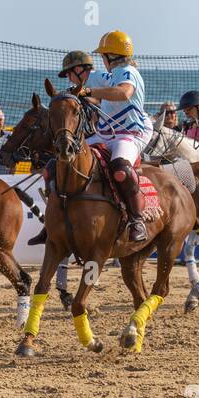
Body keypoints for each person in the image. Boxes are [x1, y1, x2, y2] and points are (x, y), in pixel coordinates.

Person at [57, 32, 154, 242]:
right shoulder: (106, 76)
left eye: (103, 56)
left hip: (131, 133)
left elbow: (123, 93)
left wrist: (90, 92)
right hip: (106, 134)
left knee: (120, 168)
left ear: (110, 56)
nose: (101, 60)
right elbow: (92, 91)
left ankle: (137, 220)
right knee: (69, 158)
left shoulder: (128, 72)